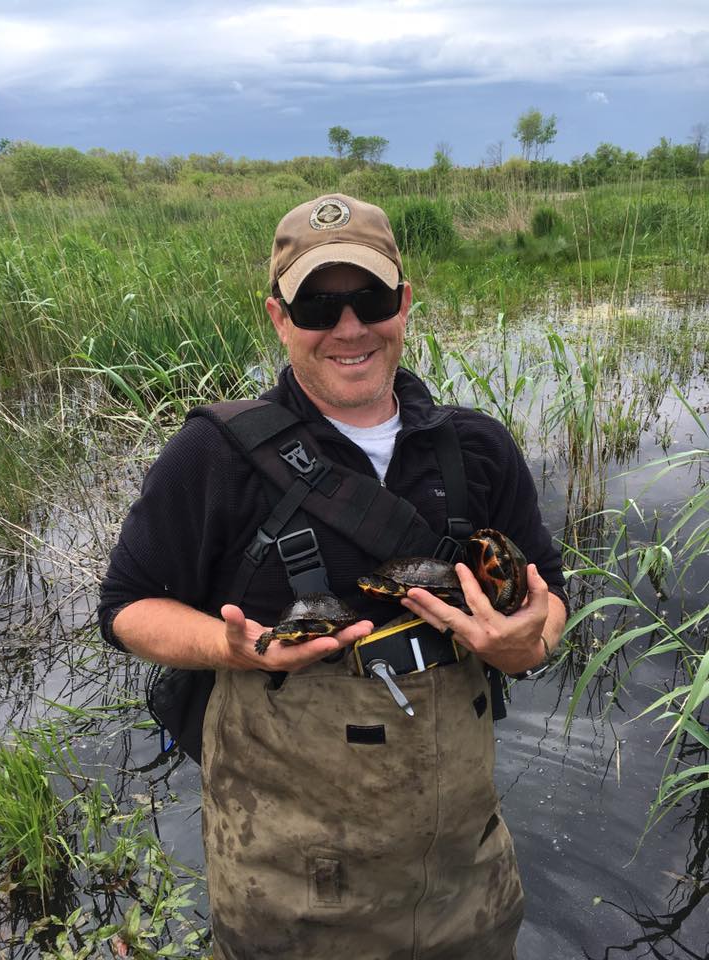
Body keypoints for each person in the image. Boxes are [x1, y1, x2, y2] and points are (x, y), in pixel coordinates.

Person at [99, 193, 568, 960]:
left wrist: (527, 644)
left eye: (370, 299)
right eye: (318, 305)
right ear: (279, 316)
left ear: (404, 304)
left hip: (466, 876)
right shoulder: (214, 457)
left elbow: (546, 595)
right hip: (288, 891)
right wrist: (234, 650)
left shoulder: (476, 448)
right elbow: (124, 607)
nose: (348, 329)